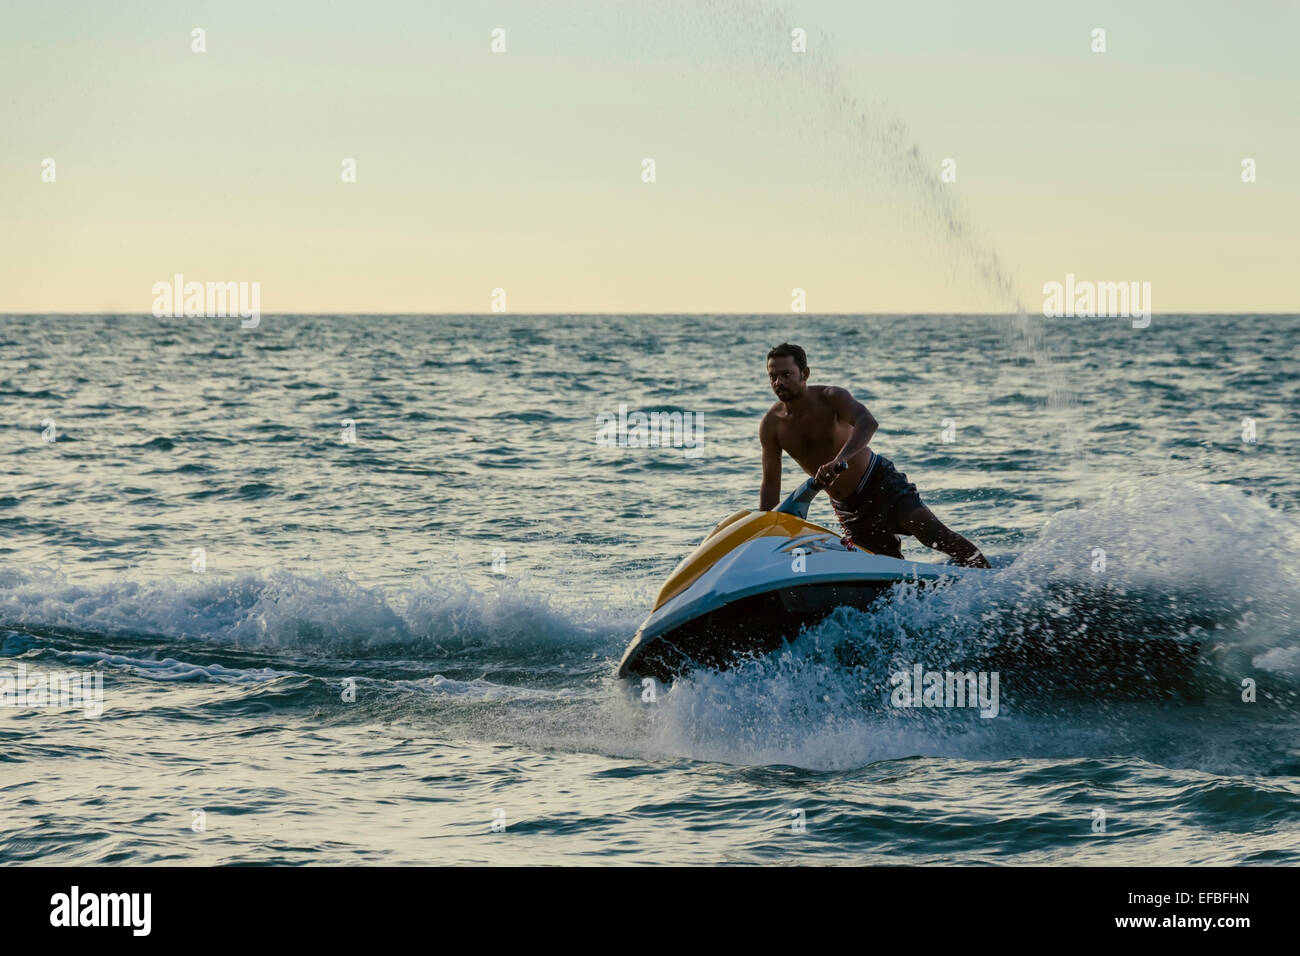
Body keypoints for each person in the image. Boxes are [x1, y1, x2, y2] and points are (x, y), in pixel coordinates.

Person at [758, 342, 991, 568]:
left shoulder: (831, 397)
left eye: (786, 374)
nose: (779, 382)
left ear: (804, 373)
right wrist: (763, 537)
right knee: (884, 571)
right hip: (848, 508)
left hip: (881, 483)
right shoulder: (772, 425)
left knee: (935, 536)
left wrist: (840, 459)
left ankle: (992, 580)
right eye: (773, 376)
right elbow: (770, 486)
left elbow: (867, 422)